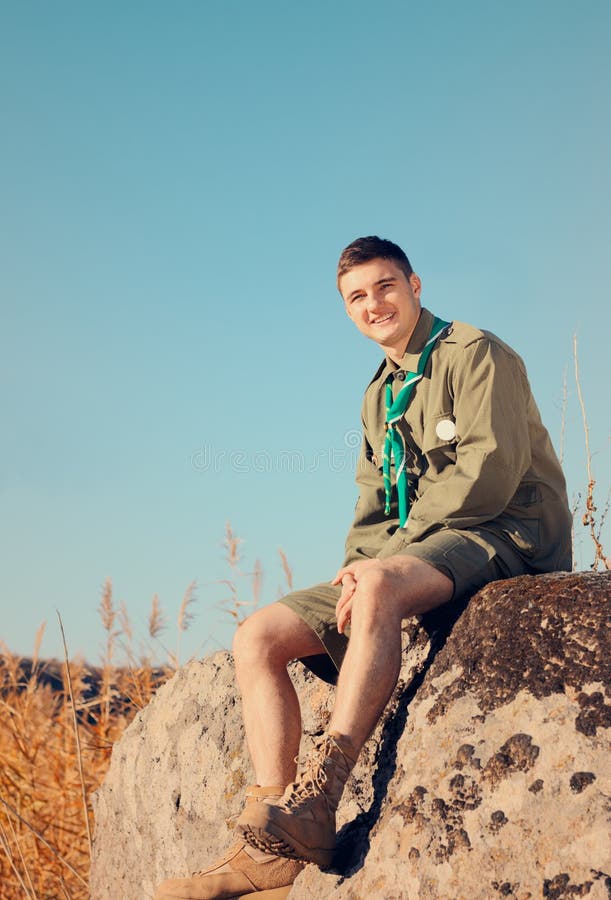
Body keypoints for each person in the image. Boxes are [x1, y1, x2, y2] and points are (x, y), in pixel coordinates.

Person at [155, 236, 572, 900]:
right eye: (356, 296)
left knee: (378, 580)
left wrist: (381, 566)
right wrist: (353, 570)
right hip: (417, 549)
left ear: (413, 284)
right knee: (257, 635)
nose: (373, 304)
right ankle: (267, 845)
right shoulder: (379, 395)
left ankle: (321, 800)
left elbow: (486, 478)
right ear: (346, 311)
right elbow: (372, 500)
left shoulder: (475, 354)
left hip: (502, 534)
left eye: (384, 286)